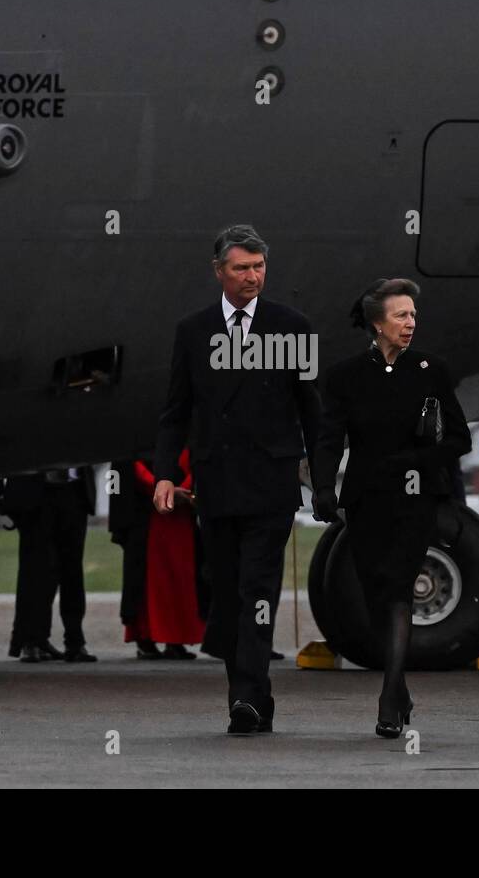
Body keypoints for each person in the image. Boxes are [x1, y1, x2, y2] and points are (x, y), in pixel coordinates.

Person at [153, 224, 323, 734]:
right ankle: (247, 694)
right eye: (241, 268)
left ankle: (247, 698)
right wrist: (165, 474)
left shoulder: (294, 327)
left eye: (259, 267)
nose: (253, 277)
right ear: (219, 272)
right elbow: (174, 413)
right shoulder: (193, 331)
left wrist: (324, 480)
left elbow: (312, 411)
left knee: (258, 588)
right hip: (216, 482)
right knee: (226, 591)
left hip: (270, 483)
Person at [311, 278, 471, 738]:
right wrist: (324, 488)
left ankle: (387, 694)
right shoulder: (345, 376)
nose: (411, 322)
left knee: (400, 591)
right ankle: (399, 690)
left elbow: (460, 438)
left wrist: (417, 459)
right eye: (401, 315)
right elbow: (329, 437)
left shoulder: (430, 370)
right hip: (365, 501)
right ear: (377, 323)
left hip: (414, 499)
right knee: (377, 596)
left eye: (413, 315)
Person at [0, 466, 98, 663]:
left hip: (74, 490)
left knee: (72, 571)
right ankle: (33, 640)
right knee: (36, 571)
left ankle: (74, 641)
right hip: (35, 493)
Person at [122, 452, 207, 659]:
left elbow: (192, 459)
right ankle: (146, 636)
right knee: (150, 580)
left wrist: (183, 489)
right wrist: (164, 489)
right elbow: (134, 465)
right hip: (150, 516)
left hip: (180, 517)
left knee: (181, 578)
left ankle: (175, 638)